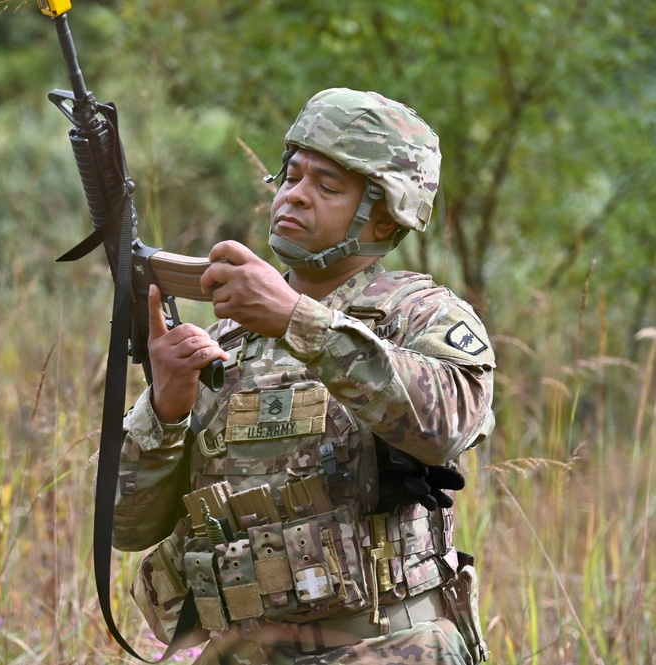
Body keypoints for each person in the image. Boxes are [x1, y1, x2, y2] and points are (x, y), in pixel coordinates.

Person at [113, 88, 495, 664]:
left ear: (386, 212)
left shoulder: (423, 317)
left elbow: (444, 427)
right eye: (291, 176)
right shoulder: (226, 345)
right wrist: (164, 408)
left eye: (328, 187)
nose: (295, 195)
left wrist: (297, 320)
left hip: (388, 648)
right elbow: (125, 526)